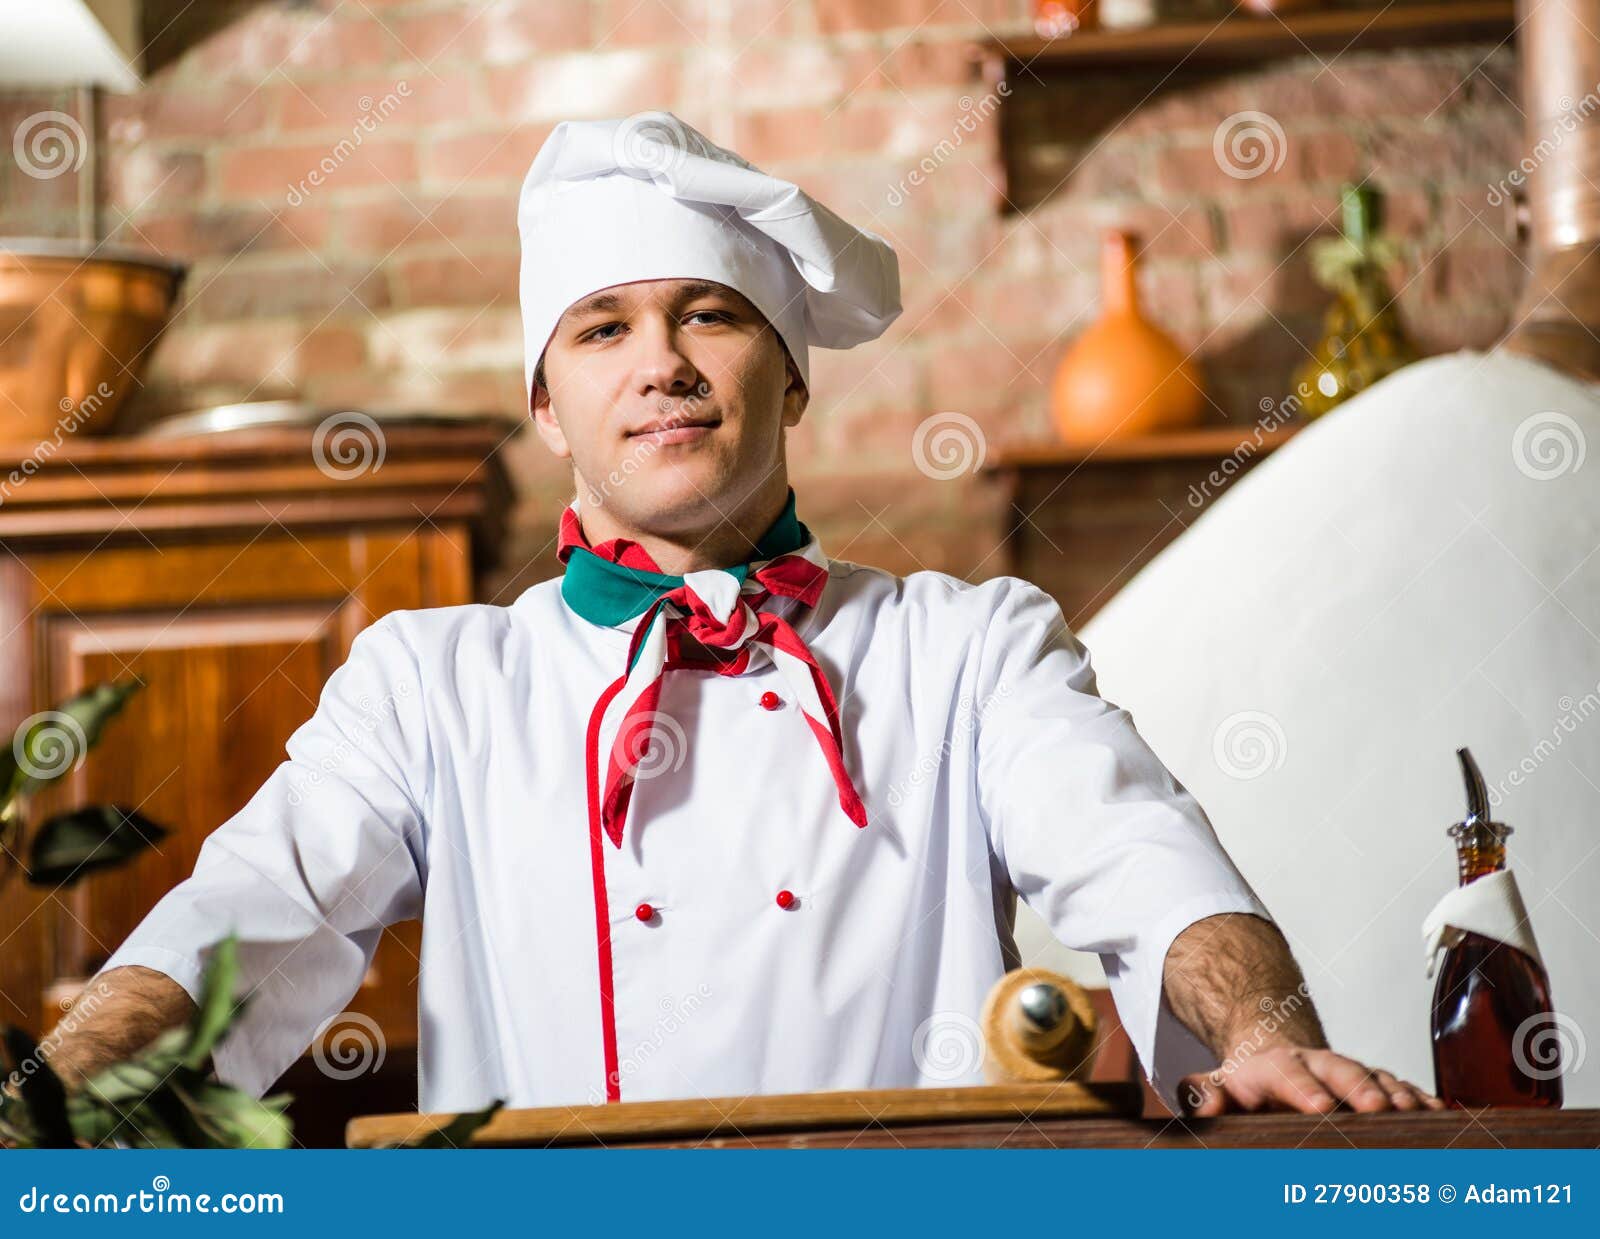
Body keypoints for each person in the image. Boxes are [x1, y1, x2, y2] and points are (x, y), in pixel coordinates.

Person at [40, 112, 1438, 1120]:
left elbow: (1143, 860)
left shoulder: (966, 648)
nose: (661, 365)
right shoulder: (430, 681)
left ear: (793, 376)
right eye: (603, 330)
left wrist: (1265, 1031)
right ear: (547, 403)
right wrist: (59, 1095)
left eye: (710, 317)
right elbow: (247, 918)